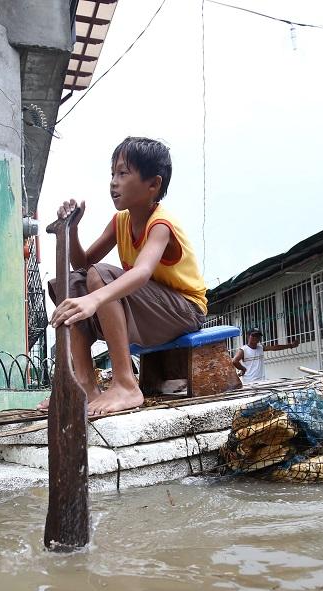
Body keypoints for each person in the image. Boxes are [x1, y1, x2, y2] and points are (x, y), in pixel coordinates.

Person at [42, 136, 207, 416]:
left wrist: (94, 300)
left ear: (153, 184)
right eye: (112, 174)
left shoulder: (161, 225)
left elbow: (142, 273)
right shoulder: (121, 221)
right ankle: (84, 383)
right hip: (148, 309)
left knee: (100, 276)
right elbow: (82, 263)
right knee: (70, 283)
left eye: (123, 173)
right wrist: (72, 229)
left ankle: (125, 383)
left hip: (184, 312)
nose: (113, 182)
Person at [232, 327, 299, 386]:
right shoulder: (243, 350)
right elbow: (235, 361)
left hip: (262, 382)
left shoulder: (260, 347)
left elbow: (275, 348)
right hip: (249, 383)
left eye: (258, 336)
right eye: (254, 335)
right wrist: (243, 369)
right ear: (248, 336)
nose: (256, 337)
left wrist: (290, 346)